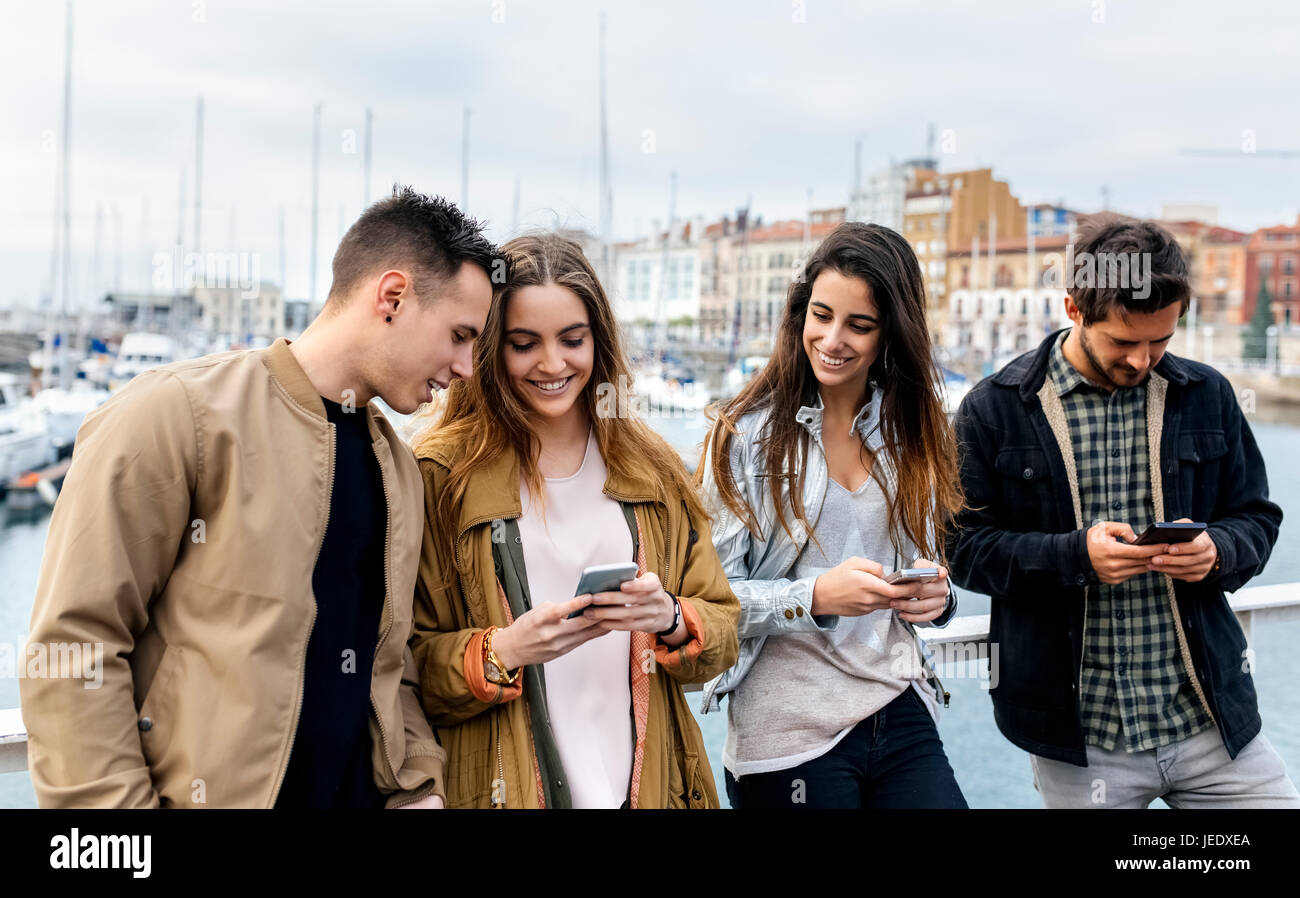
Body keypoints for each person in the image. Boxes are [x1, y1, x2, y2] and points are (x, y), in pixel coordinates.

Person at [20, 185, 496, 808]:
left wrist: (417, 790)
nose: (466, 366)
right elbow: (74, 648)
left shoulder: (400, 468)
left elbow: (389, 668)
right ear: (393, 297)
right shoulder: (174, 415)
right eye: (460, 335)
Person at [946, 212, 1298, 808]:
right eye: (1124, 341)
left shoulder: (1208, 394)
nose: (1143, 360)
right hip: (1081, 740)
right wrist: (1074, 556)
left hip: (1213, 721)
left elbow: (1258, 518)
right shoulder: (992, 410)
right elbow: (963, 550)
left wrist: (1217, 552)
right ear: (1073, 308)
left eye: (1161, 340)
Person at [409, 232, 739, 808]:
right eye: (524, 343)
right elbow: (404, 665)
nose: (553, 363)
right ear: (490, 348)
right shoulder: (441, 475)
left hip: (648, 789)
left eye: (572, 339)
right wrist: (503, 650)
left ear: (598, 341)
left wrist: (670, 617)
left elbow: (723, 632)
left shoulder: (654, 468)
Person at [696, 221, 968, 809]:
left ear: (890, 333)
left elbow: (926, 566)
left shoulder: (914, 432)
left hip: (896, 705)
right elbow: (707, 601)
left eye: (859, 325)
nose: (833, 338)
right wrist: (815, 595)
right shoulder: (742, 437)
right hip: (786, 734)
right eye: (821, 316)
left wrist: (937, 599)